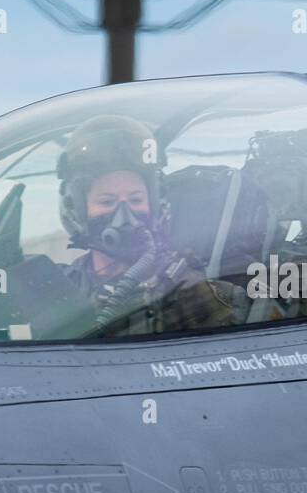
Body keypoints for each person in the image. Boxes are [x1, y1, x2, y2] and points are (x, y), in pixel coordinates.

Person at [56, 114, 244, 337]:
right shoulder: (59, 287)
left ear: (156, 204)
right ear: (76, 210)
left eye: (136, 200)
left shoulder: (187, 288)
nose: (124, 215)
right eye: (107, 202)